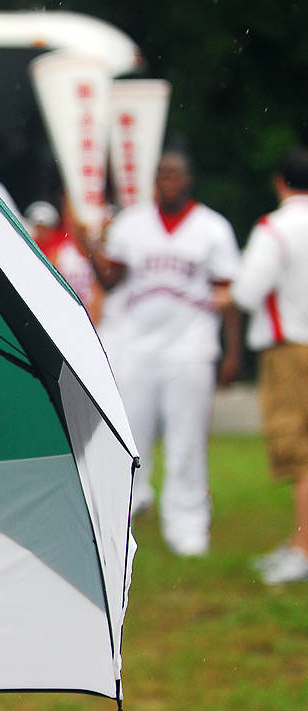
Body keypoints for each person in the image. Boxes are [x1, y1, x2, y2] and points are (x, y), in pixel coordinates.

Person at [86, 149, 243, 557]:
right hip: (136, 346)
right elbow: (112, 280)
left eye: (175, 174)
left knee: (186, 438)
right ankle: (130, 510)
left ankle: (188, 523)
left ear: (189, 179)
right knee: (131, 436)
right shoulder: (131, 224)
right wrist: (89, 247)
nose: (168, 181)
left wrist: (232, 352)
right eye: (162, 174)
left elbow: (228, 294)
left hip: (191, 346)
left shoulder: (212, 228)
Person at [218, 146, 308, 583]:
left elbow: (247, 292)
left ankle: (303, 550)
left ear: (279, 181)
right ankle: (299, 544)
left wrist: (217, 297)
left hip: (291, 348)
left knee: (299, 451)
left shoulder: (275, 229)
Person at [25, 198, 103, 323]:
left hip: (84, 310)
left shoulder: (68, 245)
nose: (42, 232)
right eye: (38, 227)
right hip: (64, 313)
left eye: (45, 227)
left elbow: (96, 287)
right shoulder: (33, 250)